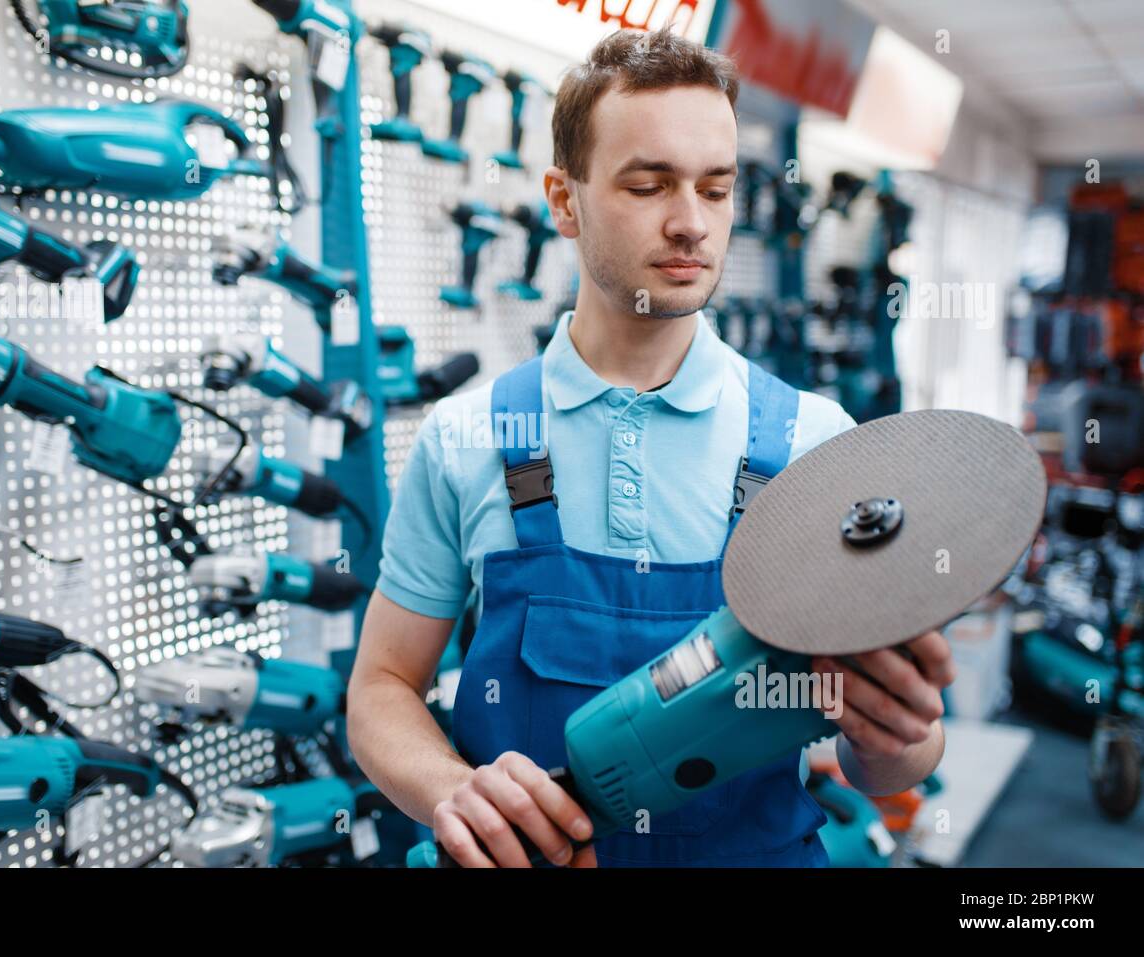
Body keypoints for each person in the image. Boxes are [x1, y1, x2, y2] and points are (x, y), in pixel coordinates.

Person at [347, 25, 953, 868]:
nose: (691, 224)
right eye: (649, 185)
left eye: (716, 188)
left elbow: (892, 758)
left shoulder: (815, 443)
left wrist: (897, 731)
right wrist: (451, 788)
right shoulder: (468, 437)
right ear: (564, 199)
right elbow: (380, 687)